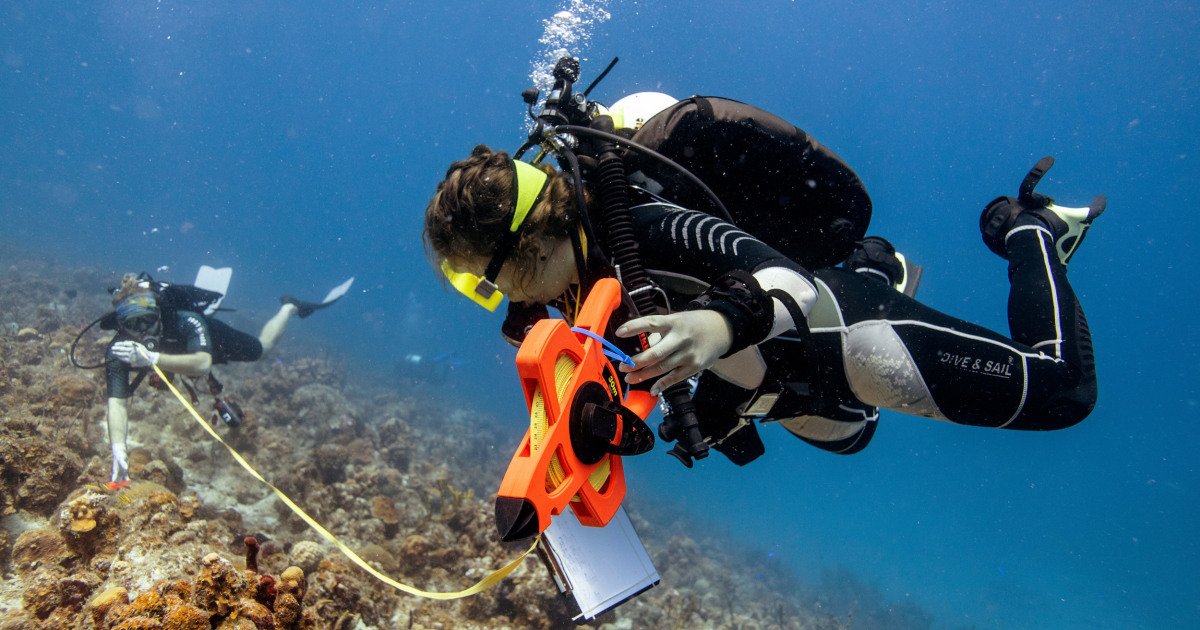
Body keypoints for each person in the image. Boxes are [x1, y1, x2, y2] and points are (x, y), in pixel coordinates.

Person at [424, 140, 1103, 466]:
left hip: (844, 335)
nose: (498, 302)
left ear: (522, 250)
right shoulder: (575, 296)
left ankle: (1029, 228)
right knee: (855, 438)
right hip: (792, 394)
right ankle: (880, 265)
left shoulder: (646, 226)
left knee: (1063, 391)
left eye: (481, 280)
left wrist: (717, 323)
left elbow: (788, 284)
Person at [103, 272, 347, 489]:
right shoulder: (120, 346)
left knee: (262, 350)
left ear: (158, 311)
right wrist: (118, 449)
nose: (143, 330)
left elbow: (202, 364)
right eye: (133, 324)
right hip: (170, 355)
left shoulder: (185, 319)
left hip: (209, 343)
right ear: (121, 325)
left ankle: (289, 307)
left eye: (148, 319)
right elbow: (117, 402)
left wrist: (152, 357)